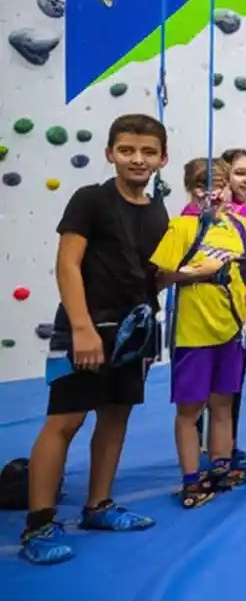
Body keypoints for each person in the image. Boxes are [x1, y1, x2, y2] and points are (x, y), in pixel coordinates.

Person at [19, 114, 169, 565]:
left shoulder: (159, 210)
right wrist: (82, 328)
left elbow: (149, 277)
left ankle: (98, 506)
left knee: (116, 416)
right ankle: (39, 523)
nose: (137, 159)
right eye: (127, 150)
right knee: (64, 420)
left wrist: (194, 273)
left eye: (147, 151)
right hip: (85, 327)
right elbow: (68, 265)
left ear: (163, 158)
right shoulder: (89, 200)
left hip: (135, 330)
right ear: (110, 153)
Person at [150, 158, 246, 509]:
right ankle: (191, 479)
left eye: (219, 184)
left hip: (230, 327)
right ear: (190, 189)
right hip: (193, 330)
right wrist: (196, 272)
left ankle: (221, 467)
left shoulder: (242, 227)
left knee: (223, 402)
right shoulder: (181, 227)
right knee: (190, 408)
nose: (211, 192)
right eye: (202, 185)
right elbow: (160, 277)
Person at [193, 148, 246, 469]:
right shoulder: (198, 211)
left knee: (231, 381)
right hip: (202, 306)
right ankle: (193, 448)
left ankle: (227, 446)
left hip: (242, 306)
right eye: (240, 173)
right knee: (197, 383)